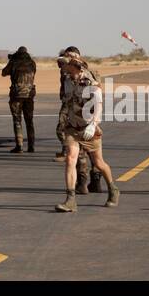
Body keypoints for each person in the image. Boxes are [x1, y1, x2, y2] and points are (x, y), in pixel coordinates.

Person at [54, 56, 119, 213]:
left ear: (79, 69)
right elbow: (66, 102)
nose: (66, 70)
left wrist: (94, 125)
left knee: (99, 163)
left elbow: (99, 107)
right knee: (70, 159)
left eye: (69, 68)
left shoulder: (91, 84)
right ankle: (70, 200)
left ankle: (113, 189)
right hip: (72, 127)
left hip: (89, 128)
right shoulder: (67, 81)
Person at [55, 47, 101, 192]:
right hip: (89, 115)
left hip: (82, 115)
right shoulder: (93, 72)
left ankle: (82, 183)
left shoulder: (69, 74)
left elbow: (64, 95)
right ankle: (94, 181)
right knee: (92, 152)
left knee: (82, 151)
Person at [2, 45, 37, 153]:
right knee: (29, 121)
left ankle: (19, 145)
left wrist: (12, 60)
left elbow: (4, 72)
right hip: (29, 95)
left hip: (17, 94)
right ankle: (31, 146)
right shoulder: (32, 63)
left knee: (17, 121)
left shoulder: (14, 62)